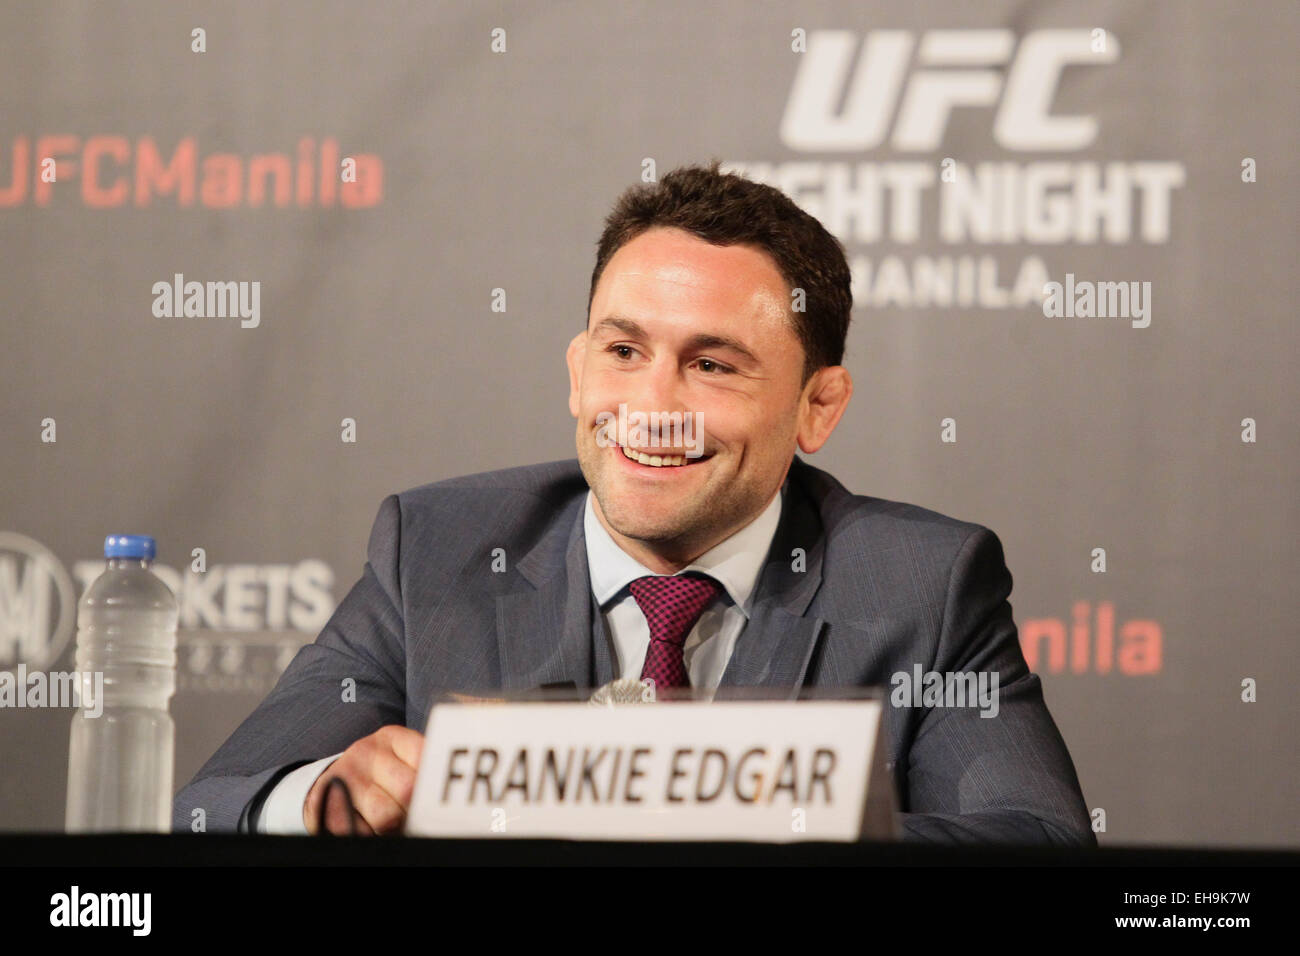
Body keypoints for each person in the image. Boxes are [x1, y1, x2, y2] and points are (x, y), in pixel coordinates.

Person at [173, 161, 1095, 844]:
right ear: (577, 374)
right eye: (623, 352)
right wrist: (323, 797)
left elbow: (1040, 840)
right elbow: (210, 807)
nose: (651, 407)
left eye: (711, 364)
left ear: (820, 405)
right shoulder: (437, 552)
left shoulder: (921, 584)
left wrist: (703, 802)